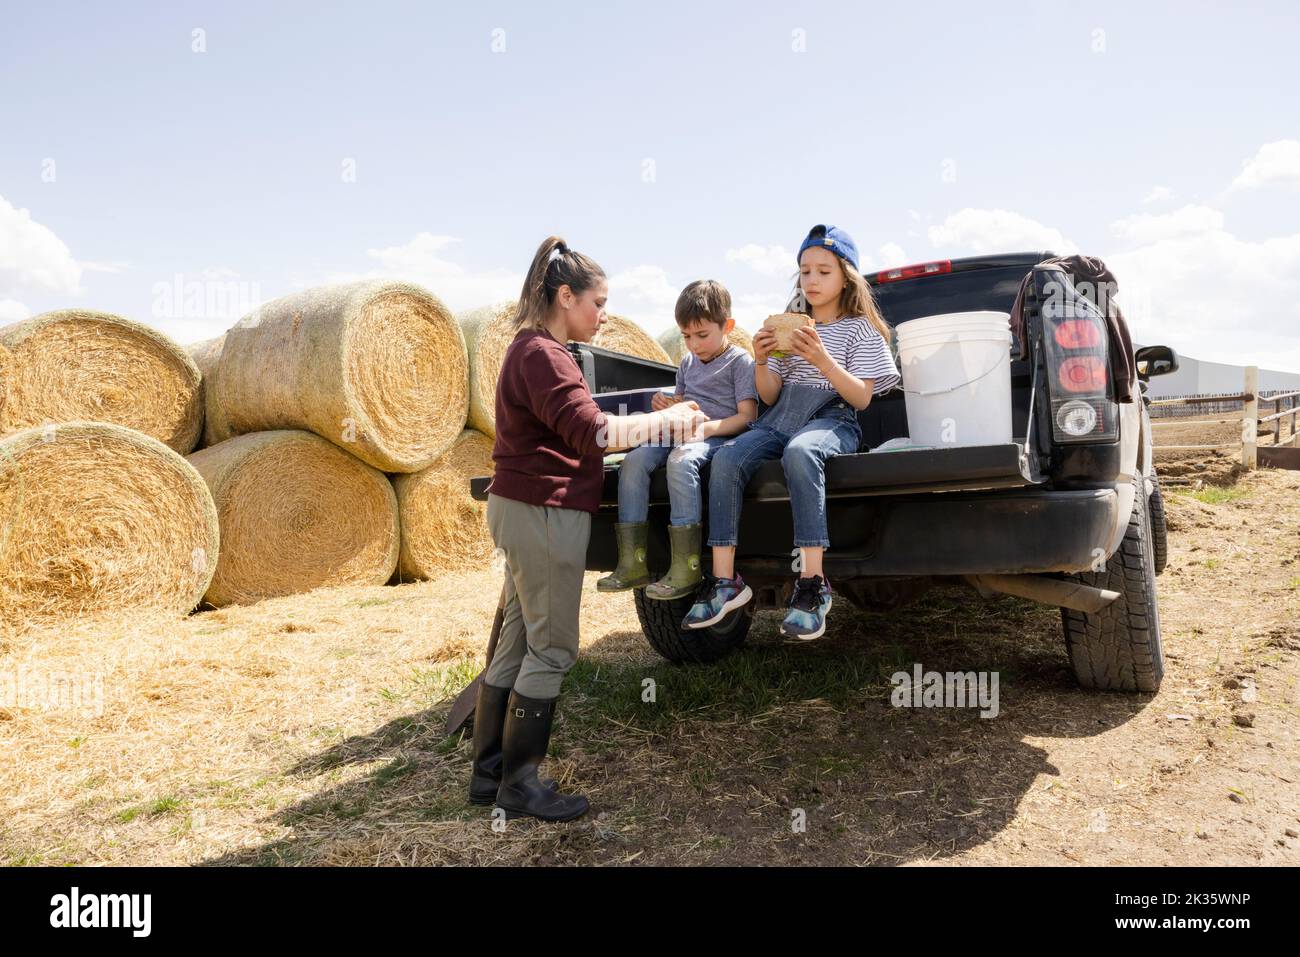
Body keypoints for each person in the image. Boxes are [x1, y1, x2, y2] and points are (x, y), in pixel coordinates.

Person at [471, 235, 707, 822]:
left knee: (520, 639)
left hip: (522, 507)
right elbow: (592, 434)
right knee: (552, 648)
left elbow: (581, 423)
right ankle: (521, 784)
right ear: (566, 296)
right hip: (544, 513)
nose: (604, 315)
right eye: (598, 303)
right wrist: (669, 421)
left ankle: (490, 775)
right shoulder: (543, 356)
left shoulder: (534, 352)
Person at [682, 224, 901, 640]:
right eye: (805, 271)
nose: (812, 280)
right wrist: (762, 360)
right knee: (727, 456)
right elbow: (768, 394)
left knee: (800, 452)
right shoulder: (786, 328)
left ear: (846, 277)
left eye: (823, 271)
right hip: (779, 416)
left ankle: (813, 585)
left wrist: (821, 358)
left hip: (831, 418)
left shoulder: (859, 330)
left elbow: (862, 399)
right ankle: (725, 580)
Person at [596, 280, 757, 599]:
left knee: (680, 462)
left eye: (702, 335)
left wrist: (706, 429)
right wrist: (667, 406)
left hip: (715, 436)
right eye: (686, 336)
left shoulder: (740, 362)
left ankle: (687, 565)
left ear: (728, 325)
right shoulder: (686, 363)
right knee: (635, 459)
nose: (694, 344)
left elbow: (747, 417)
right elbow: (681, 405)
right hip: (681, 432)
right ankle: (633, 560)